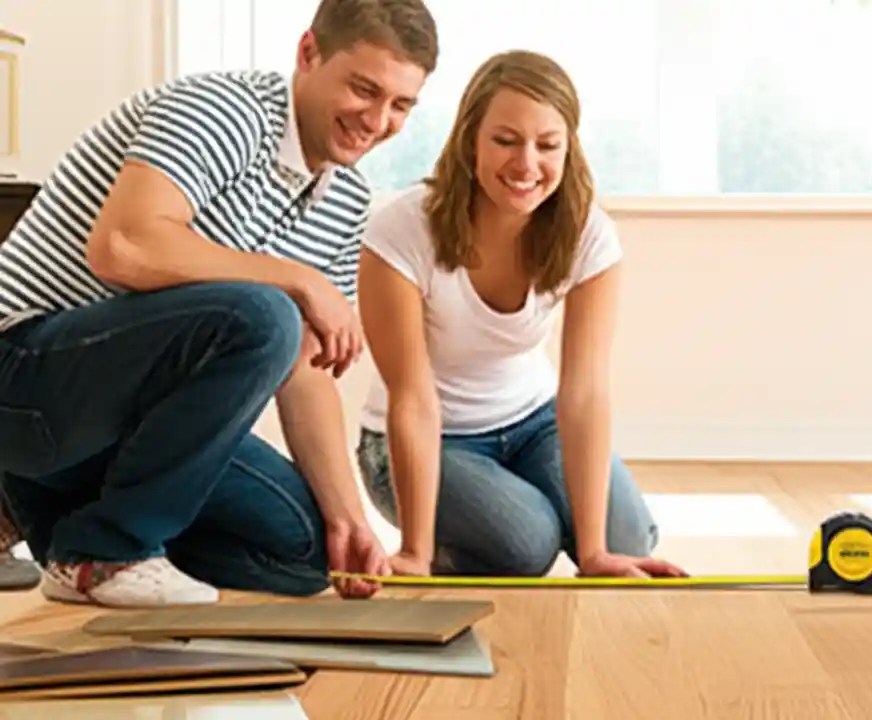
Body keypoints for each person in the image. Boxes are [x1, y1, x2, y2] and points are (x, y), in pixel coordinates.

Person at [0, 0, 437, 608]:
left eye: (401, 105)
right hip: (22, 376)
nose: (378, 120)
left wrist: (351, 520)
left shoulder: (346, 200)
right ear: (308, 53)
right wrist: (300, 281)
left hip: (112, 437)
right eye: (364, 89)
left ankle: (77, 544)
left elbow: (305, 374)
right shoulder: (223, 110)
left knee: (306, 553)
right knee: (264, 314)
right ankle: (109, 549)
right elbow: (123, 244)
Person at [355, 50, 687, 580]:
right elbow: (413, 397)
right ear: (470, 141)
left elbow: (583, 391)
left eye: (548, 145)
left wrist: (597, 551)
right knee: (525, 546)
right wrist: (414, 553)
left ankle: (531, 522)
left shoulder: (588, 235)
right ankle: (457, 544)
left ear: (569, 148)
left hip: (534, 423)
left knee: (629, 539)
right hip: (421, 438)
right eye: (505, 141)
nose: (526, 165)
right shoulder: (402, 232)